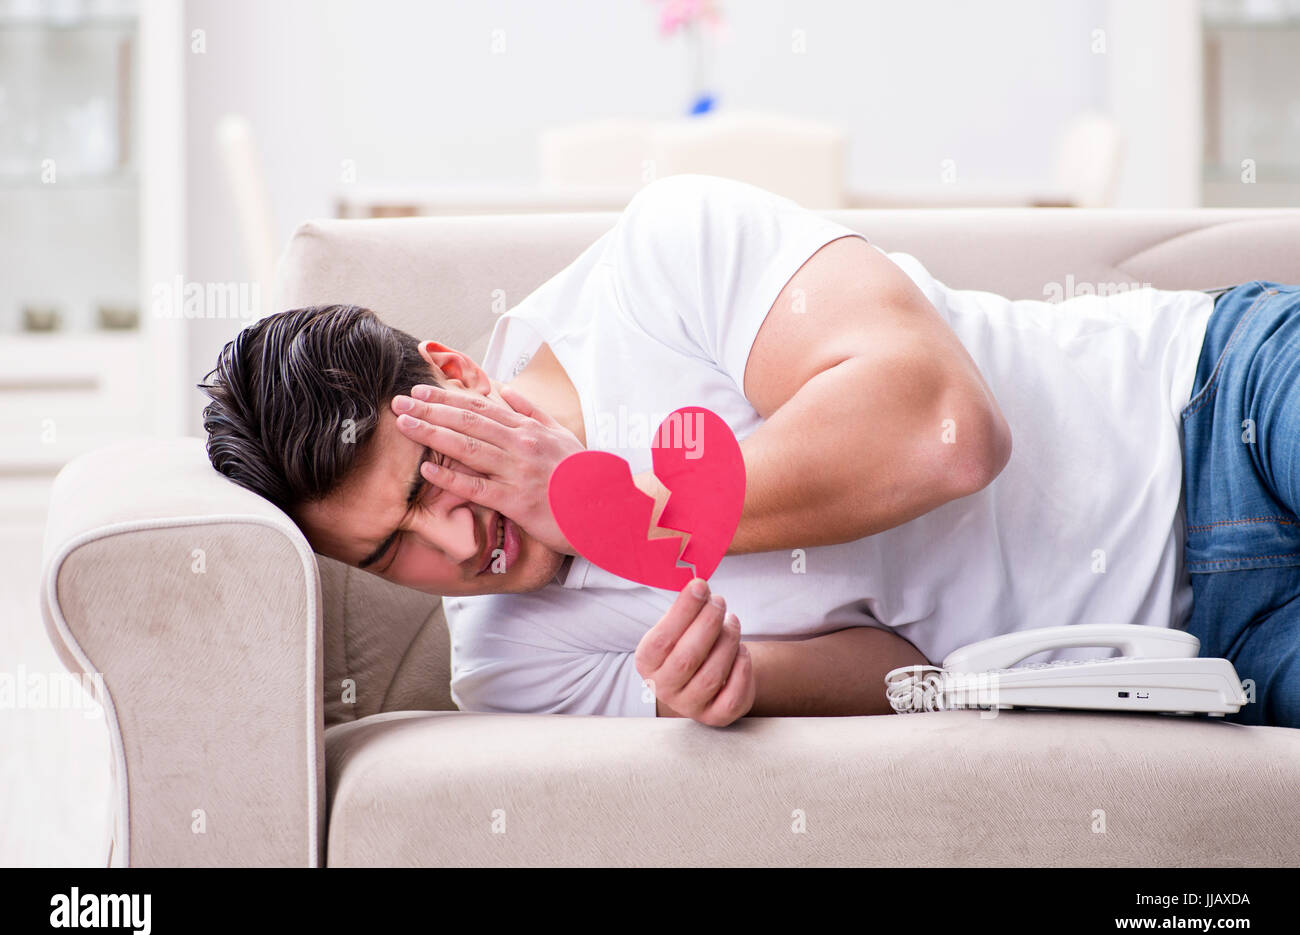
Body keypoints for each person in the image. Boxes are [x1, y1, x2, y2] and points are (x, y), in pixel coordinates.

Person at [199, 173, 1294, 728]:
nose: (454, 541)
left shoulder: (661, 263)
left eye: (428, 477)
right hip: (1202, 649)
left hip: (1211, 392)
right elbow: (913, 677)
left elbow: (948, 436)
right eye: (392, 552)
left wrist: (602, 507)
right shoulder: (514, 672)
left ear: (459, 377)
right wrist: (743, 690)